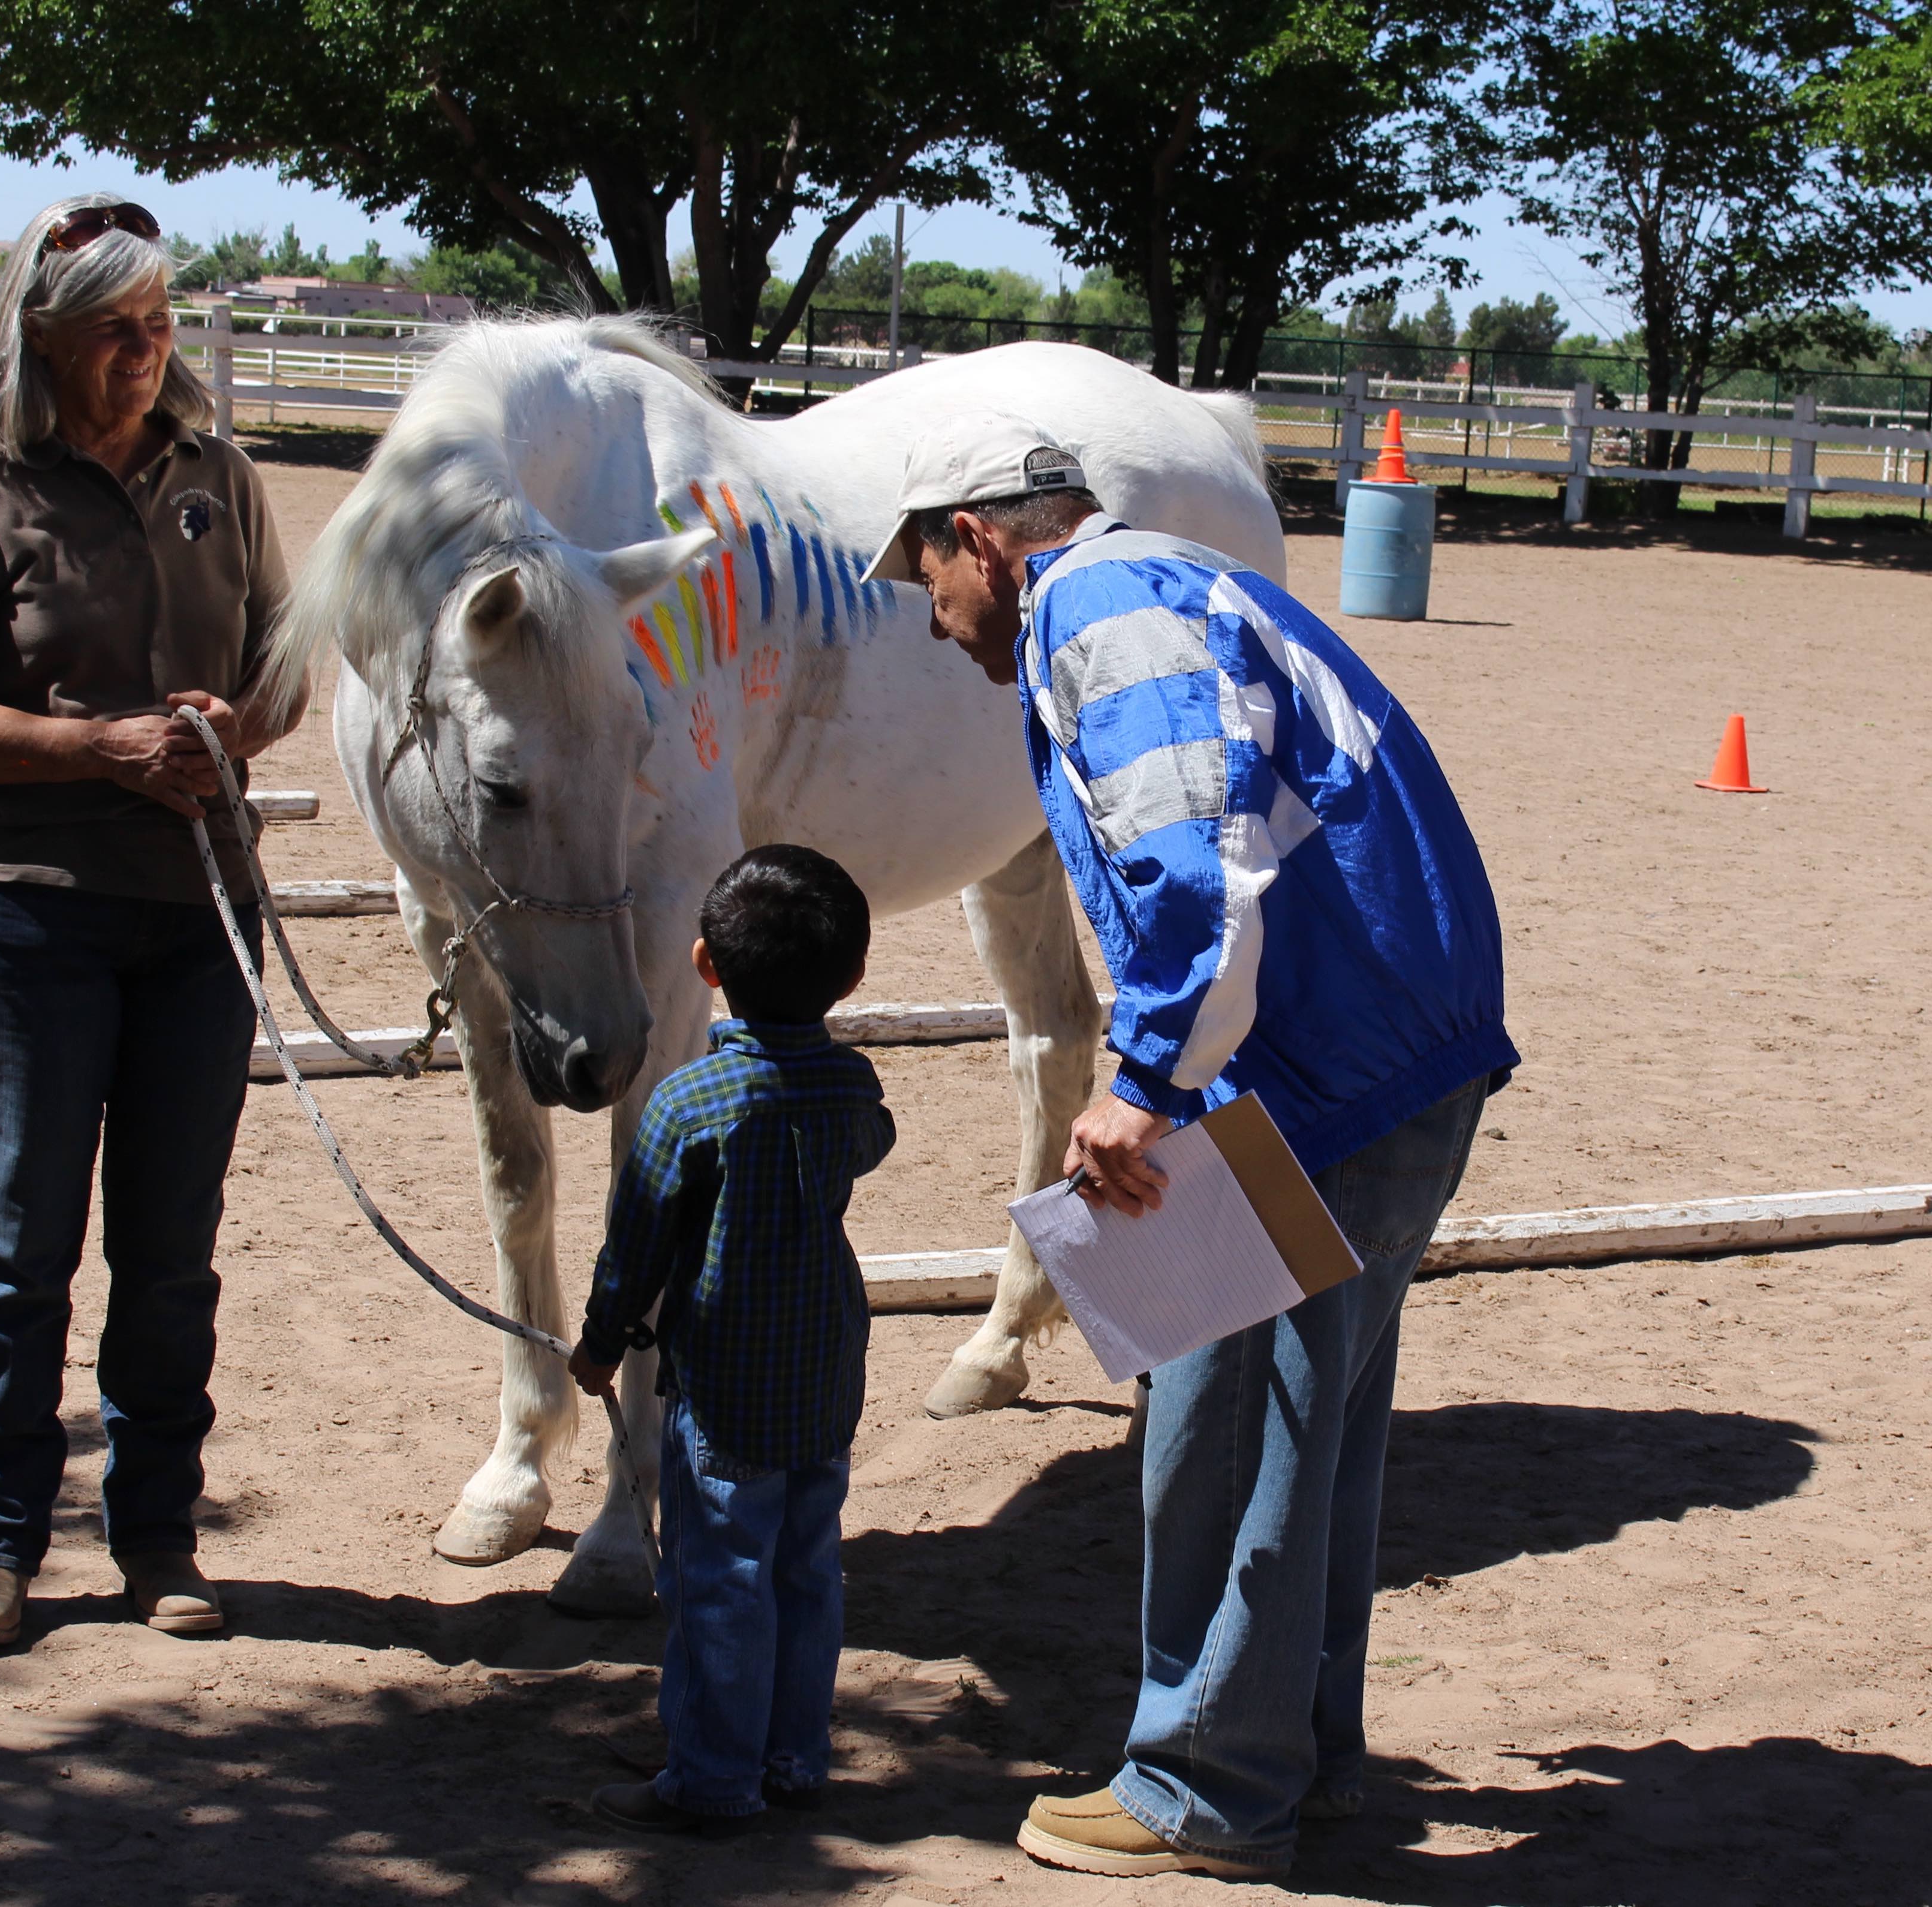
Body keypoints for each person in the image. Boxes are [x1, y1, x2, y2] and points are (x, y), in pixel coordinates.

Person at [863, 416, 1517, 1879]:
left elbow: (1191, 851)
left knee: (1234, 1430)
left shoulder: (1098, 610)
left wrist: (1146, 1077)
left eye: (928, 580)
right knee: (1311, 1431)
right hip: (1373, 1048)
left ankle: (1206, 1784)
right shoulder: (1174, 583)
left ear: (981, 537)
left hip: (1315, 1070)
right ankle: (1299, 1750)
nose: (933, 618)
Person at [0, 193, 303, 1649]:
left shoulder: (222, 479)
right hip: (27, 916)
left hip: (200, 918)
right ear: (44, 339)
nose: (144, 350)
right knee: (20, 1246)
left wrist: (227, 728)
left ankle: (158, 1540)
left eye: (159, 322)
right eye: (114, 330)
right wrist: (100, 750)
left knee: (172, 1249)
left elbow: (285, 671)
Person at [567, 846, 897, 1833]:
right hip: (825, 1375)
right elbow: (875, 1143)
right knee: (806, 1565)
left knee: (719, 1578)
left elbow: (636, 1249)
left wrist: (599, 1342)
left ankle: (713, 1775)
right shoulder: (852, 1090)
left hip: (723, 1392)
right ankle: (791, 1754)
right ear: (854, 977)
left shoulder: (685, 1105)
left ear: (708, 966)